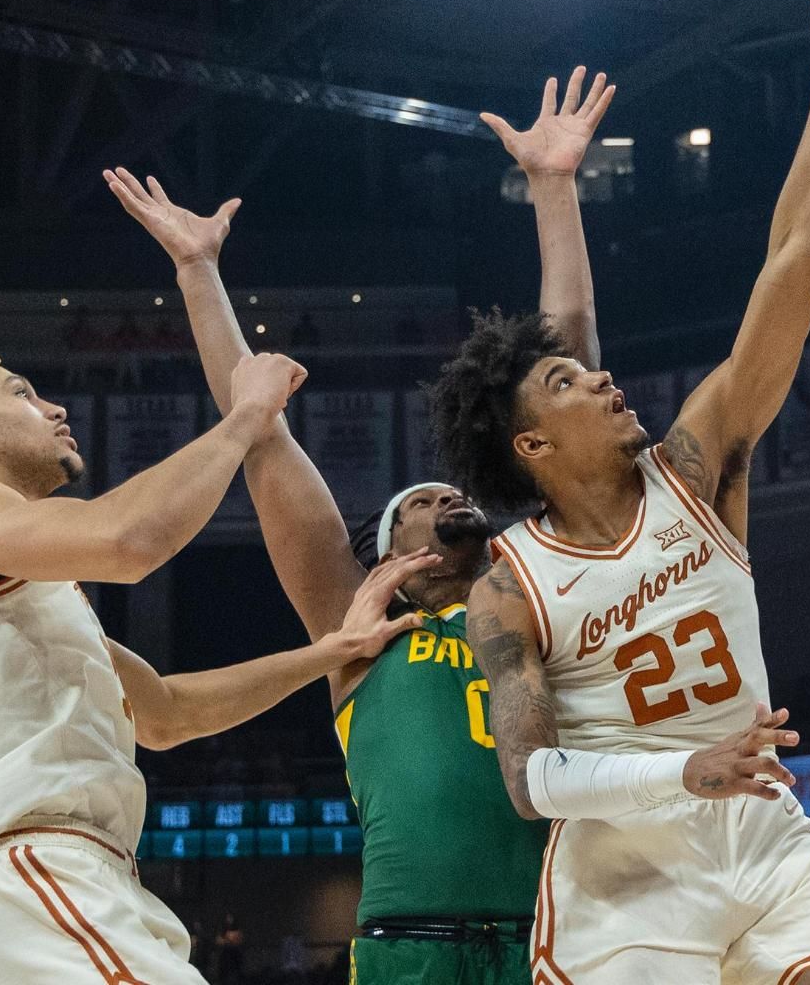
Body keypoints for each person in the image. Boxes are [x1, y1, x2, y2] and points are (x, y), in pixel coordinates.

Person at [429, 0, 810, 985]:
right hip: (627, 880)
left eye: (585, 369)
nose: (603, 378)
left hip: (764, 838)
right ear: (531, 446)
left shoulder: (698, 470)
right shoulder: (509, 584)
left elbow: (797, 259)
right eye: (568, 382)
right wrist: (683, 770)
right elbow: (531, 780)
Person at [104, 66, 616, 985]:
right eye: (419, 502)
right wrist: (199, 273)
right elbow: (262, 440)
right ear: (387, 551)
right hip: (407, 945)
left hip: (558, 938)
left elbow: (566, 381)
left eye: (450, 492)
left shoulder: (534, 588)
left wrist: (552, 189)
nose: (444, 497)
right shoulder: (357, 628)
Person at [0, 353, 435, 983]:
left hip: (63, 876)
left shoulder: (28, 591)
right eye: (22, 393)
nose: (55, 409)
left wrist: (335, 649)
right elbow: (128, 540)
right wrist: (249, 413)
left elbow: (167, 714)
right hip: (37, 867)